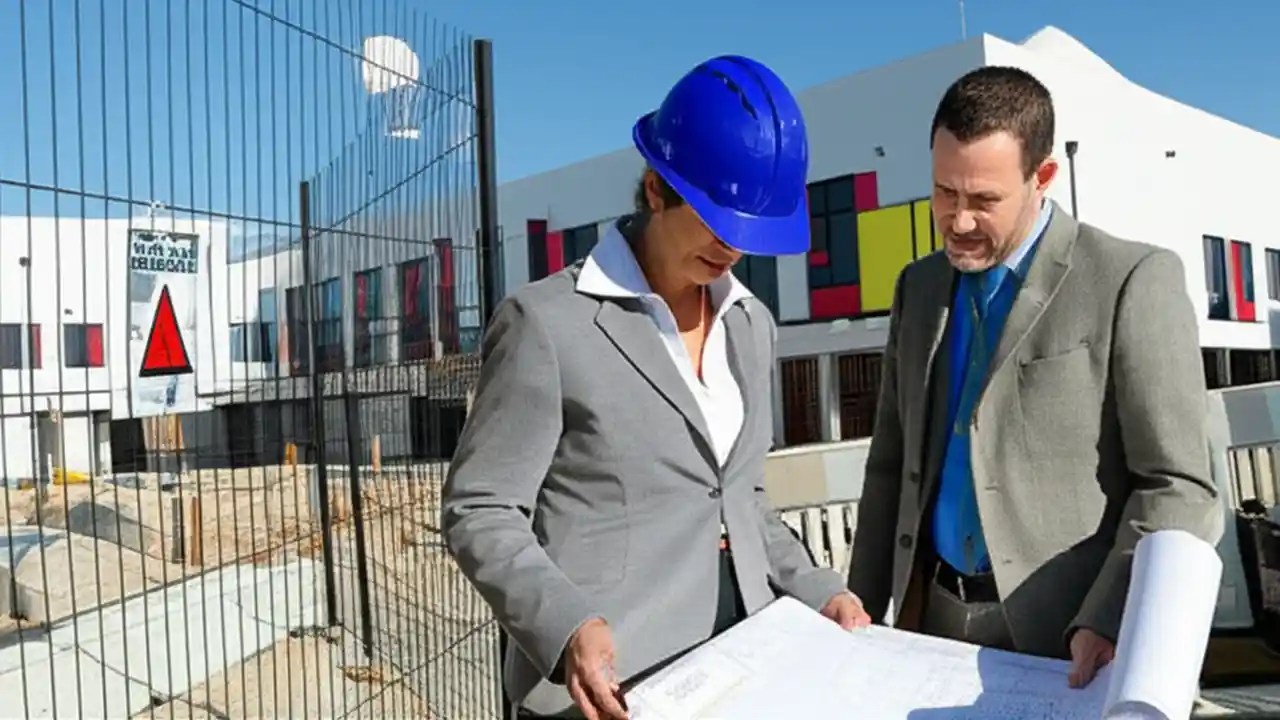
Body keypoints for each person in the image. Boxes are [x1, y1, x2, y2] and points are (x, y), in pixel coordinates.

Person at [443, 55, 869, 720]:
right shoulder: (547, 323)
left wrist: (818, 590)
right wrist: (565, 626)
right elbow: (480, 509)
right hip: (607, 688)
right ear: (654, 189)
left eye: (746, 230)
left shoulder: (751, 324)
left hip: (739, 664)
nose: (732, 247)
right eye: (715, 220)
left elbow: (743, 499)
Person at [846, 66, 1223, 689]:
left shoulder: (1132, 279)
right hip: (925, 622)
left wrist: (1105, 616)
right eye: (944, 192)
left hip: (1068, 639)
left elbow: (1180, 485)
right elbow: (890, 461)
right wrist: (861, 605)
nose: (958, 220)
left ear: (1042, 177)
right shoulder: (917, 287)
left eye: (984, 200)